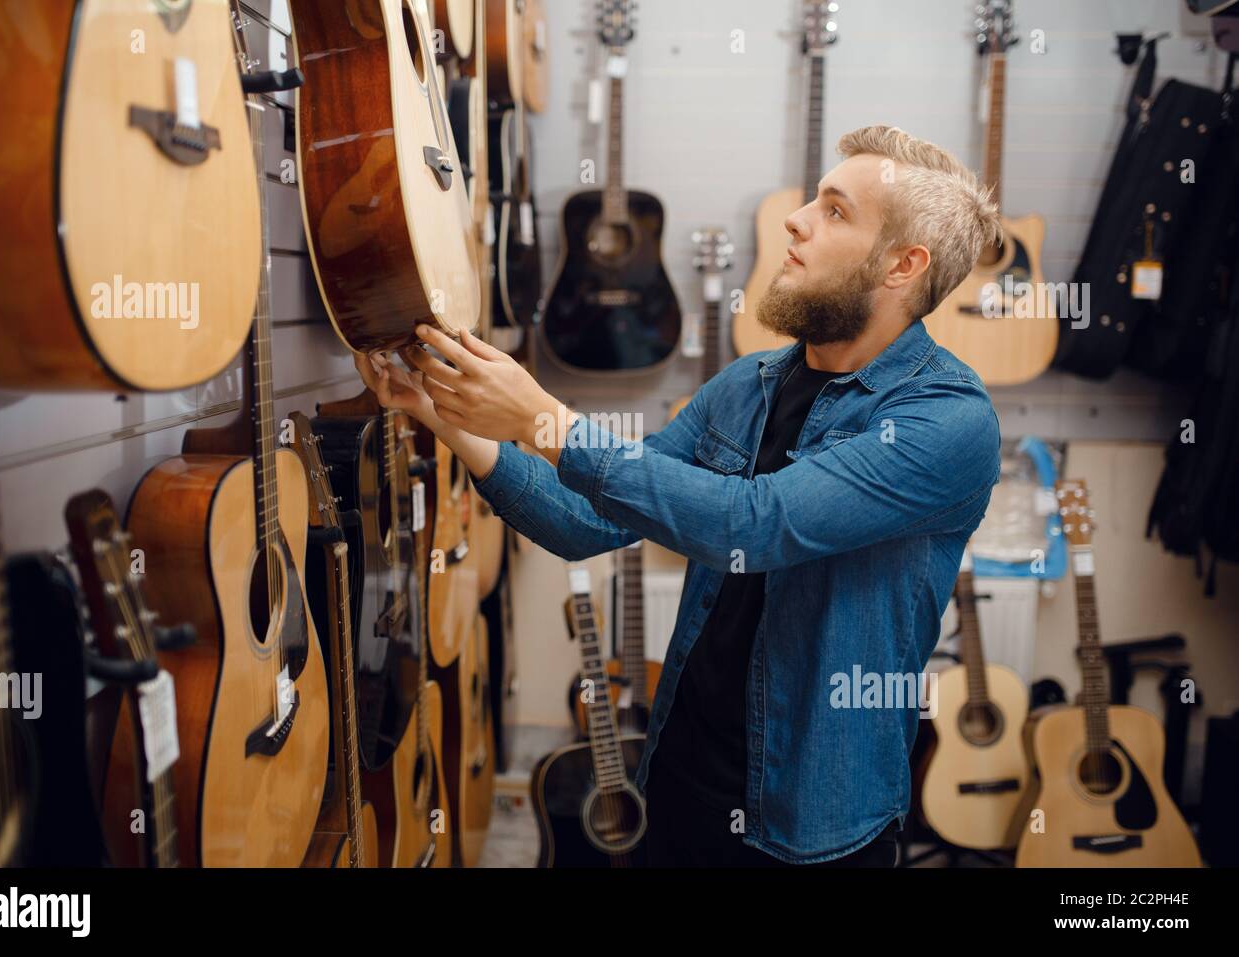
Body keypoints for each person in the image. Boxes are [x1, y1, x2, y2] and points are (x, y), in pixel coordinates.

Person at [361, 125, 1003, 867]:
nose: (797, 219)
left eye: (833, 210)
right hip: (677, 775)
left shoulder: (948, 422)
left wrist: (547, 420)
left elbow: (759, 523)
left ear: (903, 265)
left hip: (812, 821)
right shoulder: (748, 383)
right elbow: (583, 520)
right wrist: (440, 412)